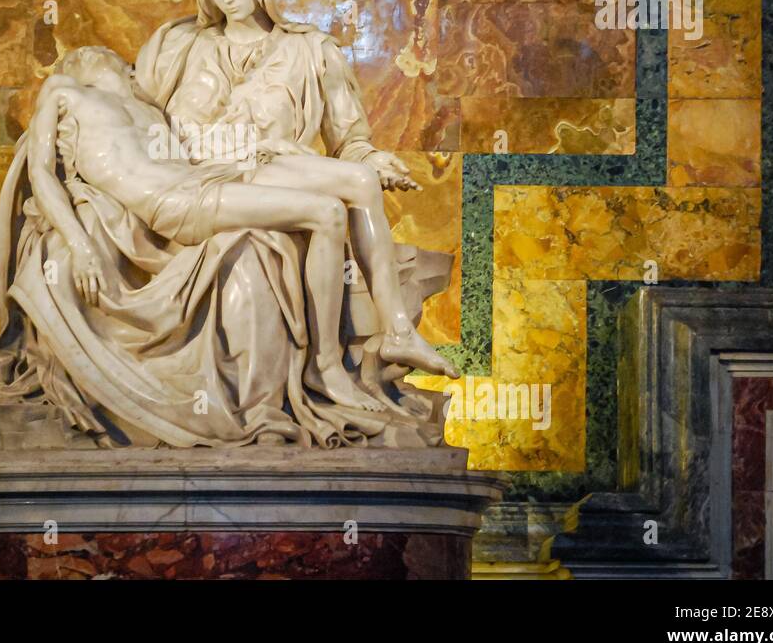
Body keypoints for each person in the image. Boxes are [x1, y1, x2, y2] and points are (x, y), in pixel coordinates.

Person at [28, 46, 458, 417]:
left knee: (358, 181)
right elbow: (41, 174)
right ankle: (325, 367)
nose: (136, 74)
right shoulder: (64, 92)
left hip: (207, 177)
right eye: (126, 68)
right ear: (94, 64)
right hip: (176, 203)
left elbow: (190, 153)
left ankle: (400, 332)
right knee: (325, 214)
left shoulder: (148, 112)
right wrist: (80, 244)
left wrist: (265, 149)